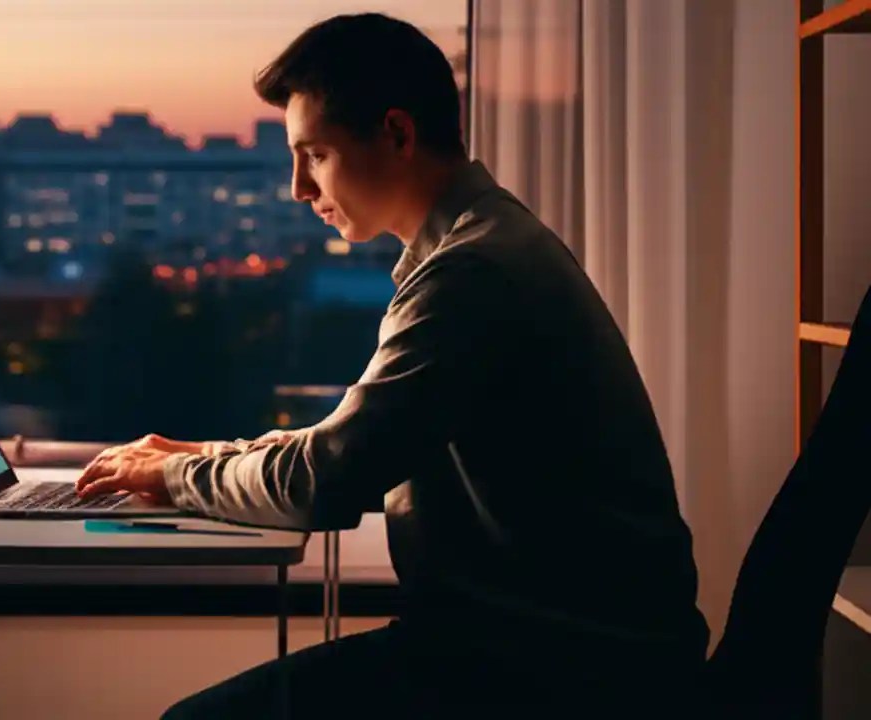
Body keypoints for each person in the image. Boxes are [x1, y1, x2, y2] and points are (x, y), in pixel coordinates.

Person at [76, 12, 709, 717]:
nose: (296, 188)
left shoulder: (472, 273)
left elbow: (327, 480)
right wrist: (204, 457)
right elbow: (354, 441)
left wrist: (172, 475)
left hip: (556, 672)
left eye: (312, 155)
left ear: (397, 134)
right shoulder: (484, 244)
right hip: (561, 649)